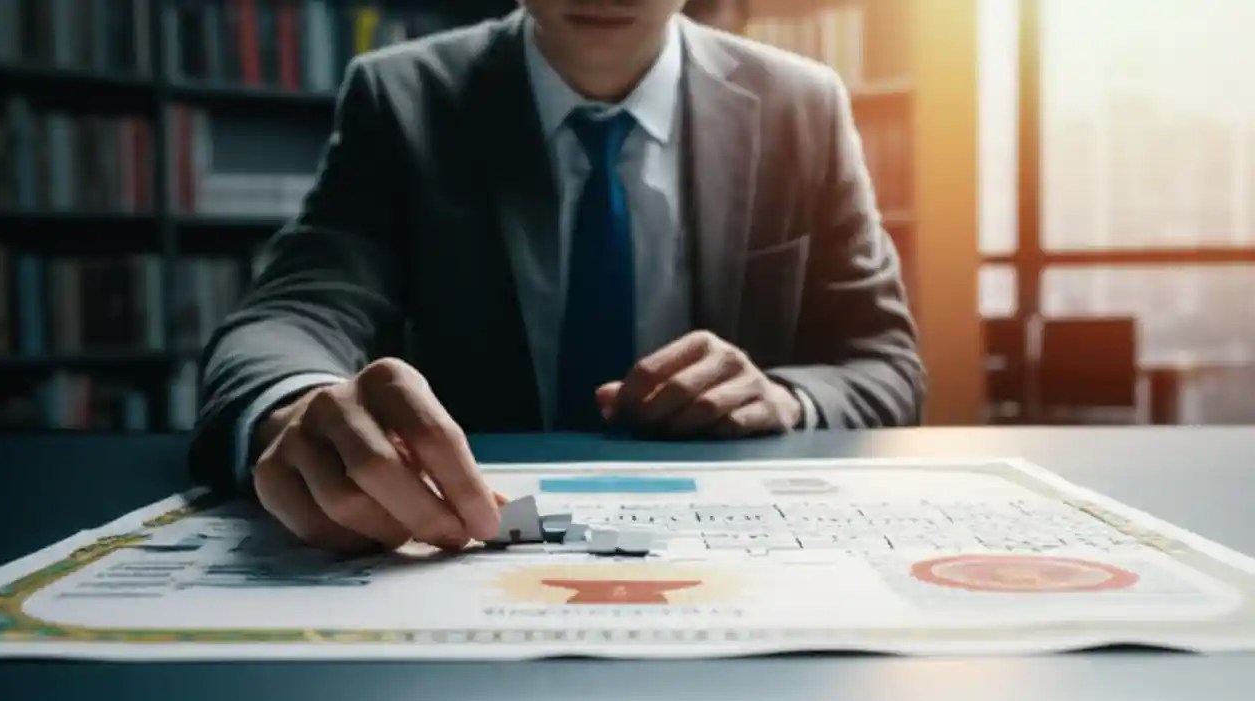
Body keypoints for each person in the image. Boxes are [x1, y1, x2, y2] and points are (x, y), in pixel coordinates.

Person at [188, 0, 925, 553]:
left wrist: (788, 398)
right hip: (464, 543)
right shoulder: (401, 97)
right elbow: (288, 317)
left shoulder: (803, 103)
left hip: (732, 549)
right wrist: (296, 408)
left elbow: (883, 364)